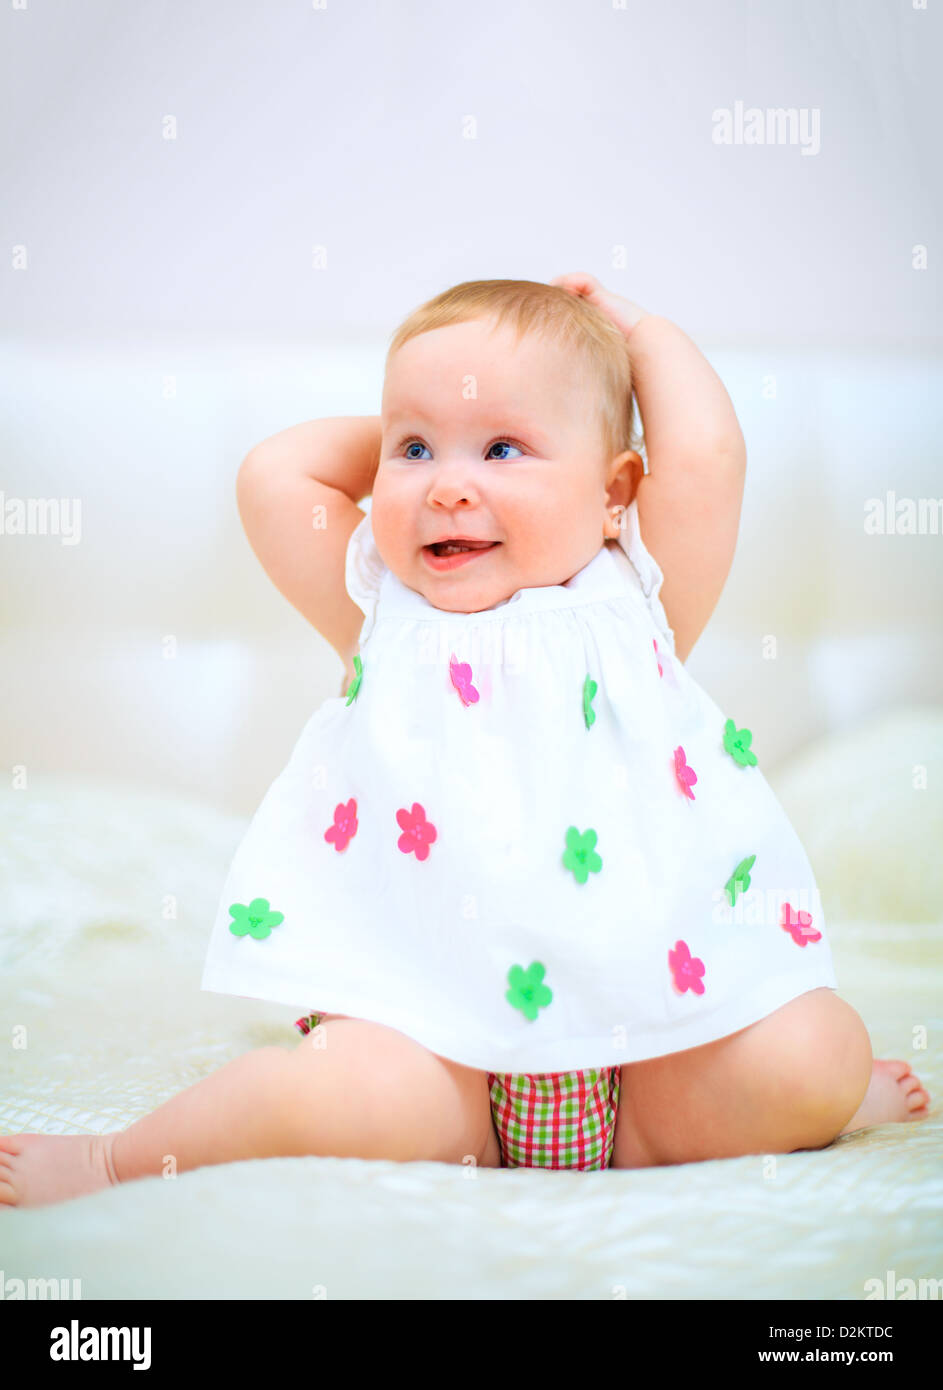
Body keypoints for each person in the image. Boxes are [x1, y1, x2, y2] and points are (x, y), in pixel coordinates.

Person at [0, 275, 928, 1207]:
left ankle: (837, 1099)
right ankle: (115, 1160)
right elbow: (274, 477)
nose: (448, 487)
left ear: (613, 491)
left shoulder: (641, 607)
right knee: (330, 1093)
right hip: (433, 1057)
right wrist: (452, 417)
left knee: (814, 1053)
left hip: (655, 1048)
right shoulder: (380, 610)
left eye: (501, 448)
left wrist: (636, 336)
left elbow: (708, 453)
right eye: (414, 450)